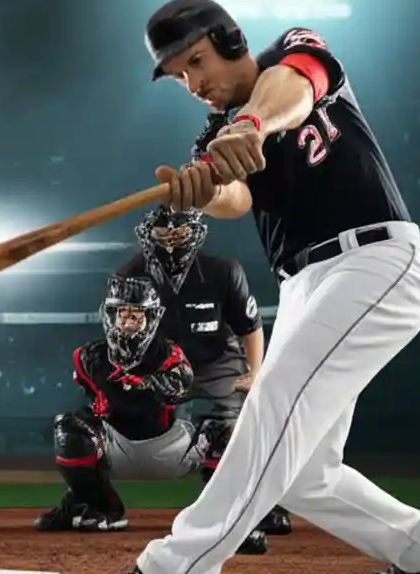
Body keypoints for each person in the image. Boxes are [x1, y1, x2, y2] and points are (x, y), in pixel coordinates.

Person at [49, 0, 420, 574]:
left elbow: (293, 88)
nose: (194, 83)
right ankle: (419, 544)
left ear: (230, 38)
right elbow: (238, 193)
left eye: (196, 61)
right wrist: (203, 187)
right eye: (179, 76)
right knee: (298, 469)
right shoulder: (214, 135)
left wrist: (250, 126)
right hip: (305, 284)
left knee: (269, 407)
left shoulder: (290, 59)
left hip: (375, 260)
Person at [34, 274, 269, 555]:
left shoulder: (170, 355)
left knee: (226, 433)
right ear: (111, 315)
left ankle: (227, 521)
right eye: (123, 314)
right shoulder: (88, 357)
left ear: (152, 318)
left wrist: (143, 384)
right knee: (68, 427)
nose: (129, 321)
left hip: (168, 448)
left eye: (137, 315)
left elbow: (173, 391)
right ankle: (99, 506)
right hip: (114, 446)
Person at [118, 203, 292, 536]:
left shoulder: (223, 271)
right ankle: (91, 500)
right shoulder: (130, 273)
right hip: (159, 364)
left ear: (194, 233)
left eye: (178, 230)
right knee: (110, 414)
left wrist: (255, 372)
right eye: (162, 231)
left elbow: (249, 326)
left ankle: (259, 504)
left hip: (216, 361)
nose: (169, 240)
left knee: (239, 422)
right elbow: (119, 328)